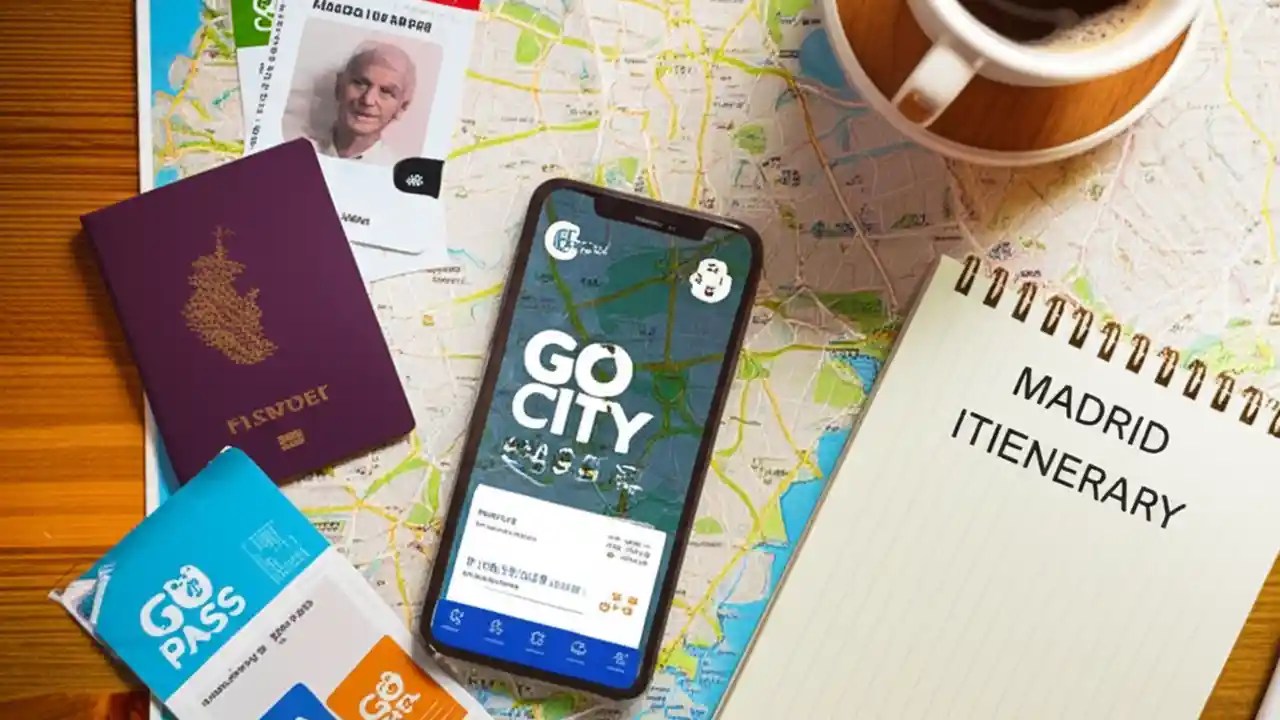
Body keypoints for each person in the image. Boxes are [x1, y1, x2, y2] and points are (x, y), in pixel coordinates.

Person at [309, 41, 416, 164]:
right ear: (339, 87)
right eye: (360, 84)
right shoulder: (297, 151)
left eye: (386, 91)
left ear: (402, 108)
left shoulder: (395, 175)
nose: (368, 100)